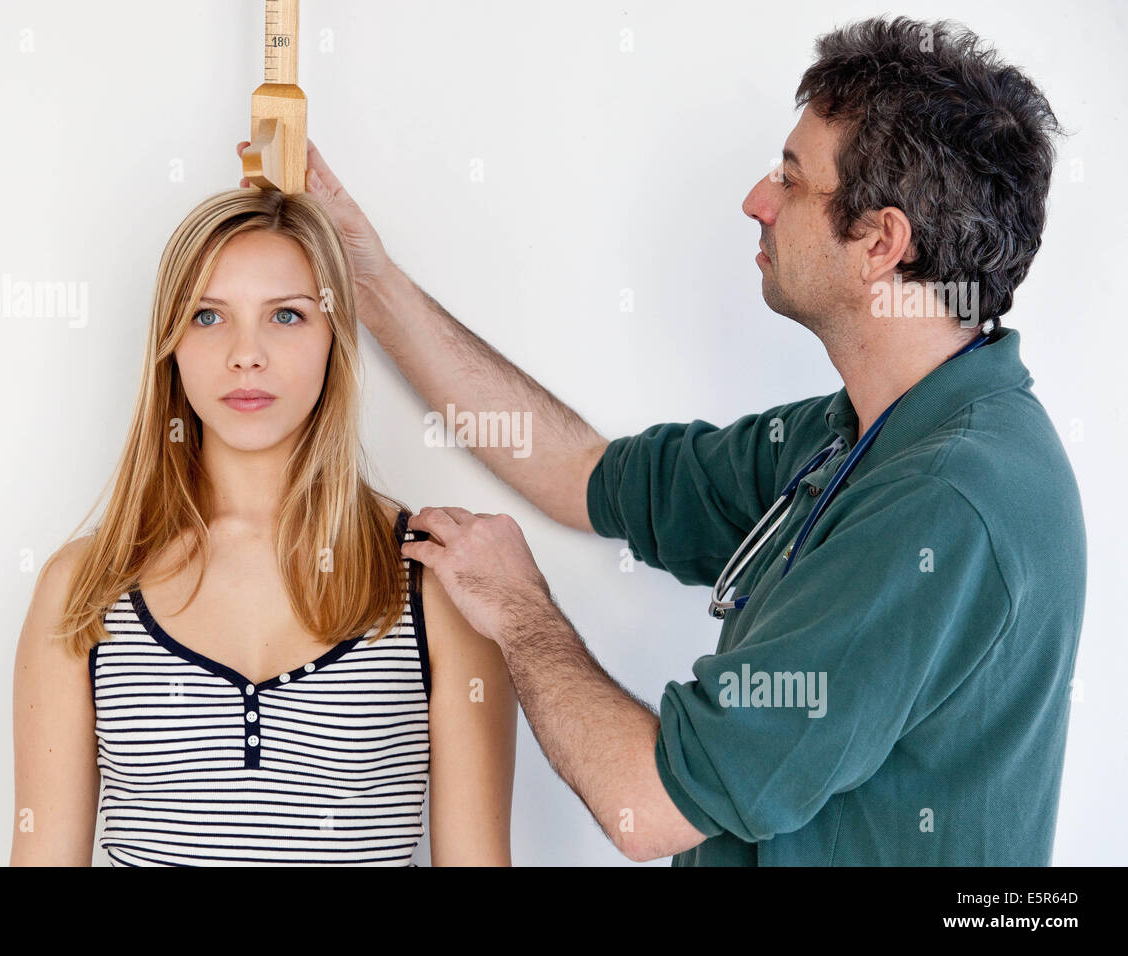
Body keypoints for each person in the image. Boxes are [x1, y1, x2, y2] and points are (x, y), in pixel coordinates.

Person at [270, 15, 1086, 865]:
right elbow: (579, 471)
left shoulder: (943, 503)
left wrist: (519, 610)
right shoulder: (850, 436)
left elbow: (648, 806)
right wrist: (367, 274)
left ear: (881, 243)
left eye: (791, 179)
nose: (756, 202)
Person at [10, 187, 517, 866]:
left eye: (285, 315)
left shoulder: (436, 584)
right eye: (208, 316)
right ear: (170, 344)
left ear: (334, 335)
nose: (245, 354)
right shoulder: (84, 588)